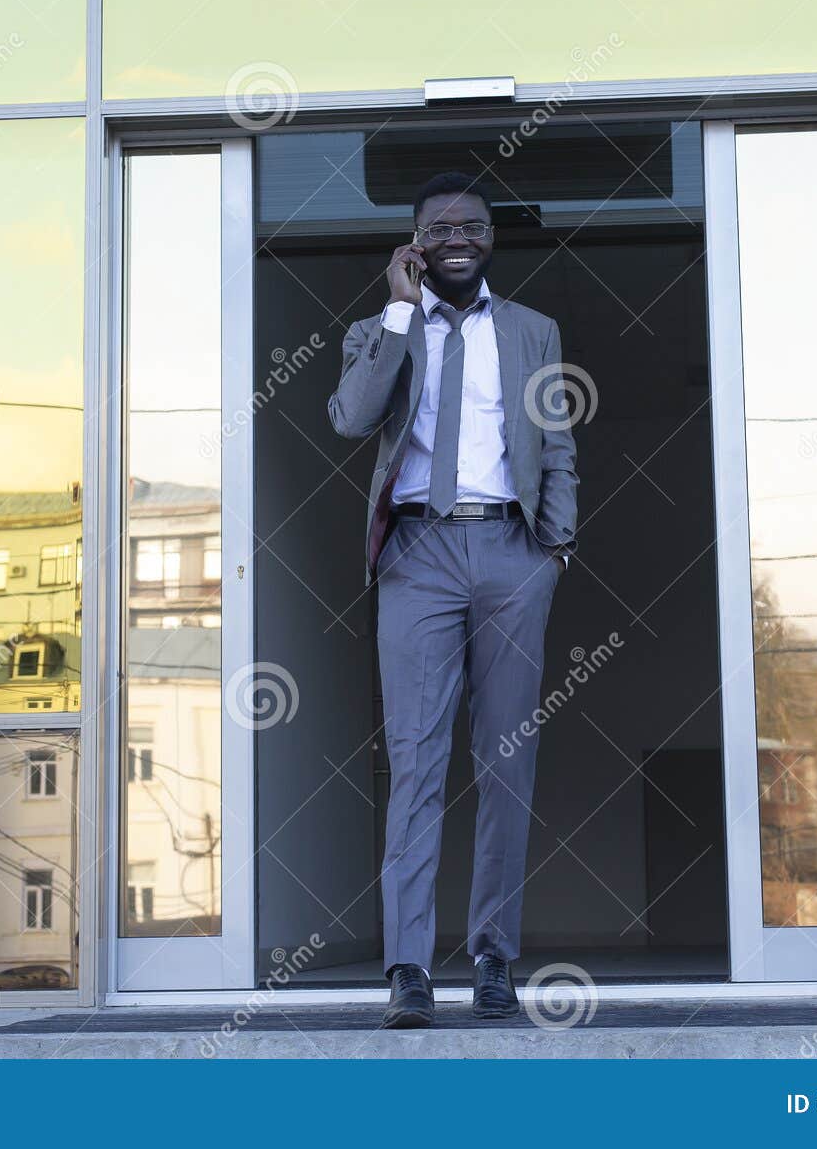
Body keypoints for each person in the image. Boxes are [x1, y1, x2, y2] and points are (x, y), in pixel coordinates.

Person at [327, 170, 579, 1028]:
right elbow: (352, 417)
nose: (457, 237)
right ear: (415, 244)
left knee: (507, 762)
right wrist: (400, 312)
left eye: (472, 224)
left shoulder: (533, 331)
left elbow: (557, 443)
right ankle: (407, 969)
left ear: (492, 236)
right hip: (418, 556)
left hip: (512, 549)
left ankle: (495, 958)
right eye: (438, 228)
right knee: (417, 762)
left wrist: (556, 545)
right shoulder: (380, 328)